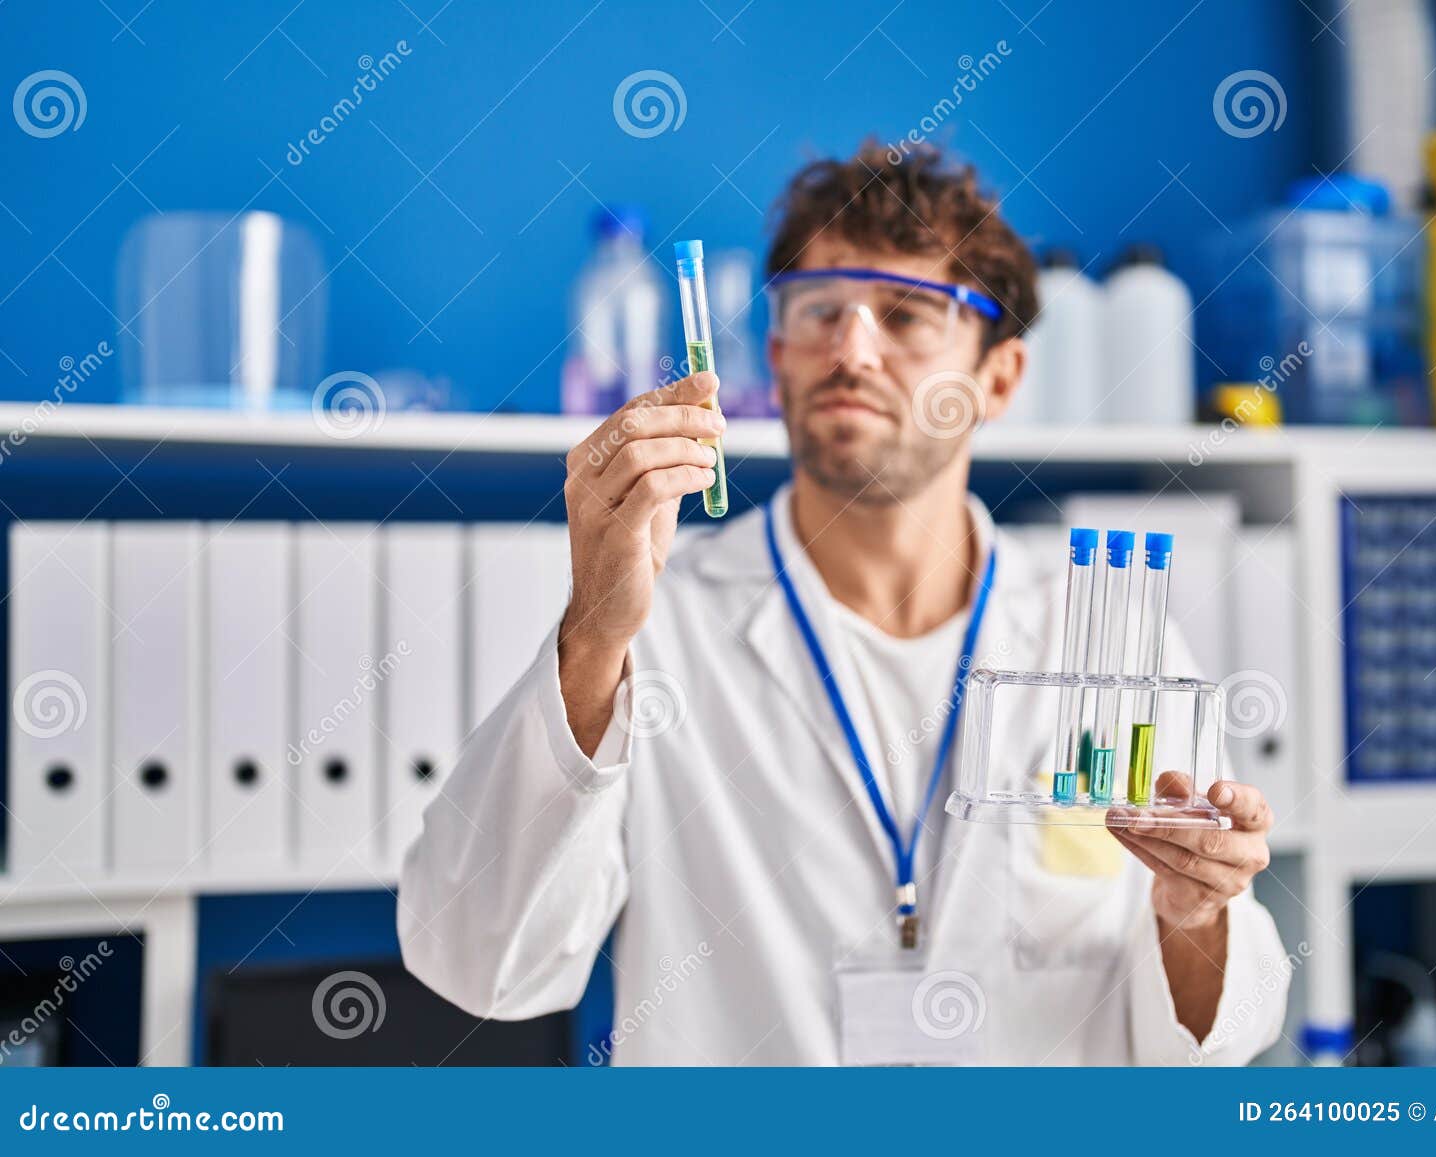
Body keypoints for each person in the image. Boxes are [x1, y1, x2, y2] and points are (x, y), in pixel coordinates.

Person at [400, 141, 1287, 1065]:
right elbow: (476, 963)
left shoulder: (1109, 631)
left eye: (907, 315)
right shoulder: (658, 625)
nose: (852, 350)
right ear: (776, 358)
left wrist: (1196, 914)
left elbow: (1214, 1039)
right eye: (820, 311)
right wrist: (592, 632)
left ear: (1000, 378)